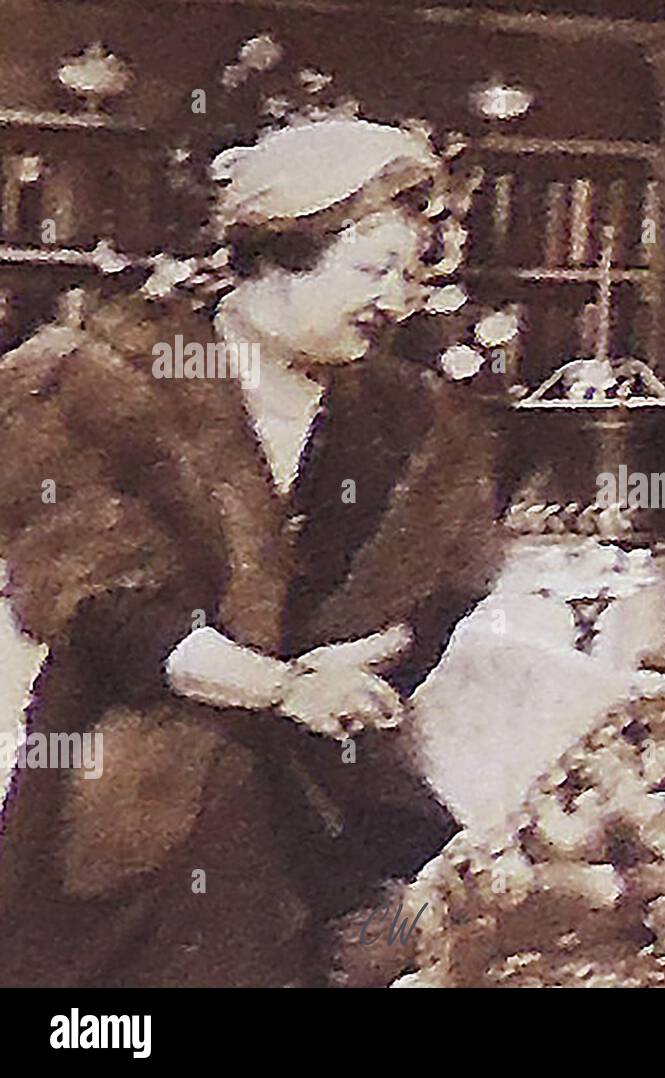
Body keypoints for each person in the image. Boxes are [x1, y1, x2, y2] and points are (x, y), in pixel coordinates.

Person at [0, 116, 502, 987]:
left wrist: (372, 660)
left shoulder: (413, 418)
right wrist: (282, 688)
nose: (396, 298)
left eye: (411, 273)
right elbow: (102, 604)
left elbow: (439, 589)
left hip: (325, 806)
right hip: (126, 796)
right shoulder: (107, 380)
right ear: (281, 251)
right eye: (372, 268)